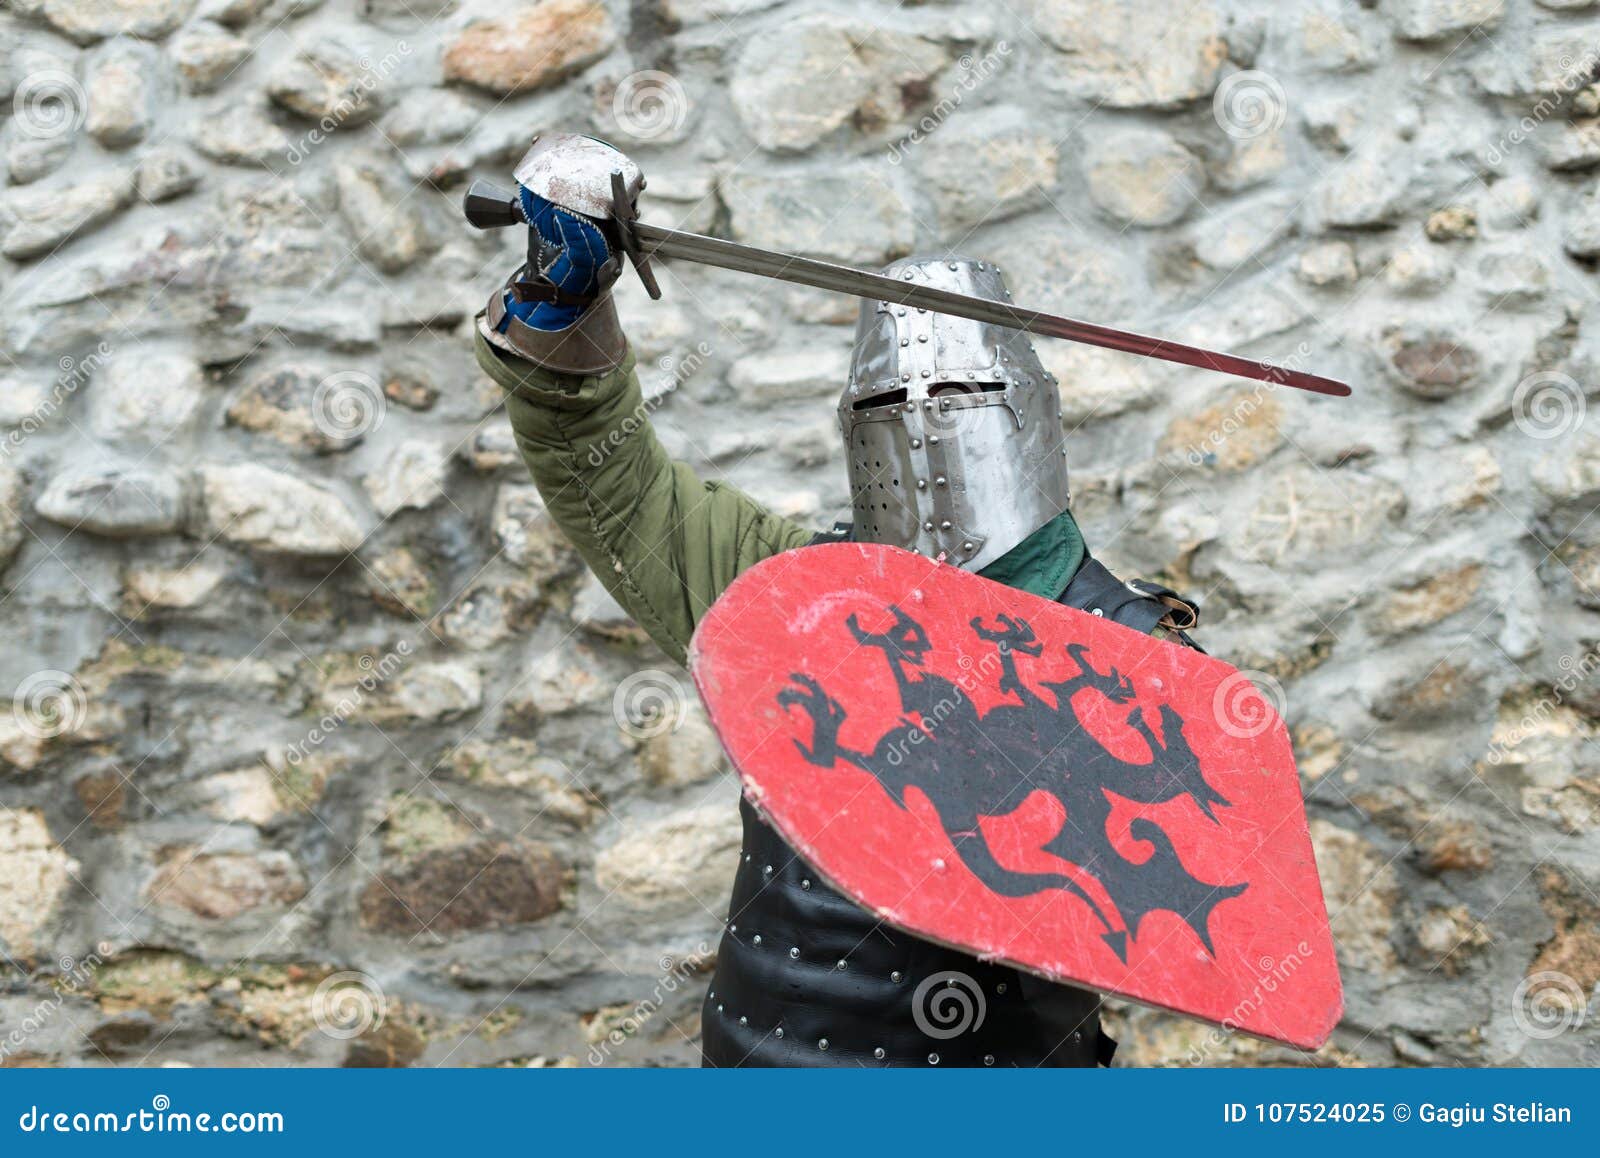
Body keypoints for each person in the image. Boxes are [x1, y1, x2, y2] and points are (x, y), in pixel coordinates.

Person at [472, 135, 1199, 1067]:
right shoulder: (786, 593)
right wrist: (563, 299)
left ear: (1030, 421)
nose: (929, 438)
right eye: (890, 409)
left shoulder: (1139, 658)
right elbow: (605, 471)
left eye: (966, 397)